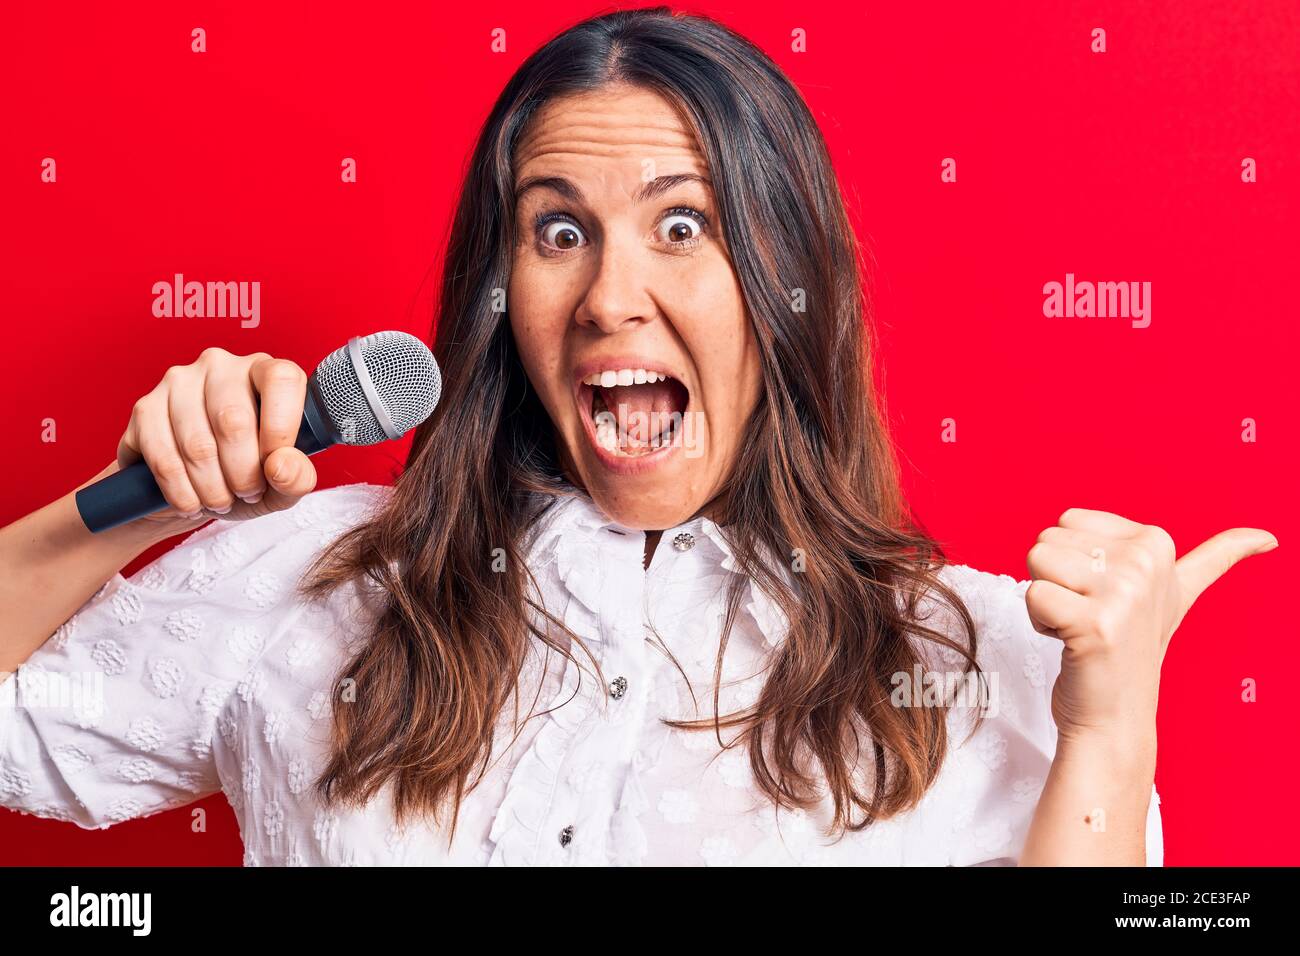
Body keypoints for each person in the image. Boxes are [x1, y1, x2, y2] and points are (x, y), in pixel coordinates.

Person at [0, 7, 1275, 866]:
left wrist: (1108, 729)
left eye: (684, 226)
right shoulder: (310, 575)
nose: (611, 295)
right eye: (559, 231)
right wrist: (150, 498)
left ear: (789, 282)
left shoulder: (966, 653)